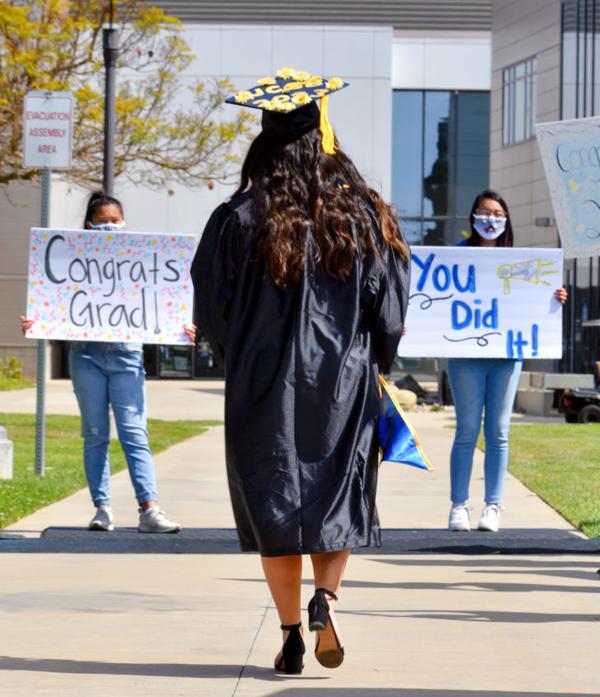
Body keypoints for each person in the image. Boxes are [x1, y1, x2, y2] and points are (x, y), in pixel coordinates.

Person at [191, 68, 410, 674]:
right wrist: (376, 366)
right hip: (343, 382)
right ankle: (325, 599)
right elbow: (388, 310)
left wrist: (240, 360)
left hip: (260, 387)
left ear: (262, 144)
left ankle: (289, 633)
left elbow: (212, 311)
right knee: (336, 497)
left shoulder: (237, 218)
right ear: (323, 136)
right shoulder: (364, 217)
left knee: (275, 507)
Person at [20, 193, 184, 535]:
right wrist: (39, 321)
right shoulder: (73, 260)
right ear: (89, 224)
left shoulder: (140, 259)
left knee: (134, 433)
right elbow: (56, 300)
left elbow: (160, 300)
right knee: (95, 433)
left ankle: (149, 509)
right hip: (86, 355)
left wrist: (180, 325)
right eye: (103, 220)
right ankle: (102, 508)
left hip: (127, 355)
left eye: (115, 220)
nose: (110, 226)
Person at [446, 190, 567, 533]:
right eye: (484, 212)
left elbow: (537, 300)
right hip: (466, 357)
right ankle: (459, 505)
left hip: (506, 357)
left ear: (506, 220)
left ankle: (492, 506)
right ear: (472, 217)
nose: (490, 219)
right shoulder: (452, 257)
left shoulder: (520, 262)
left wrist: (555, 297)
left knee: (499, 431)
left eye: (497, 213)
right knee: (467, 430)